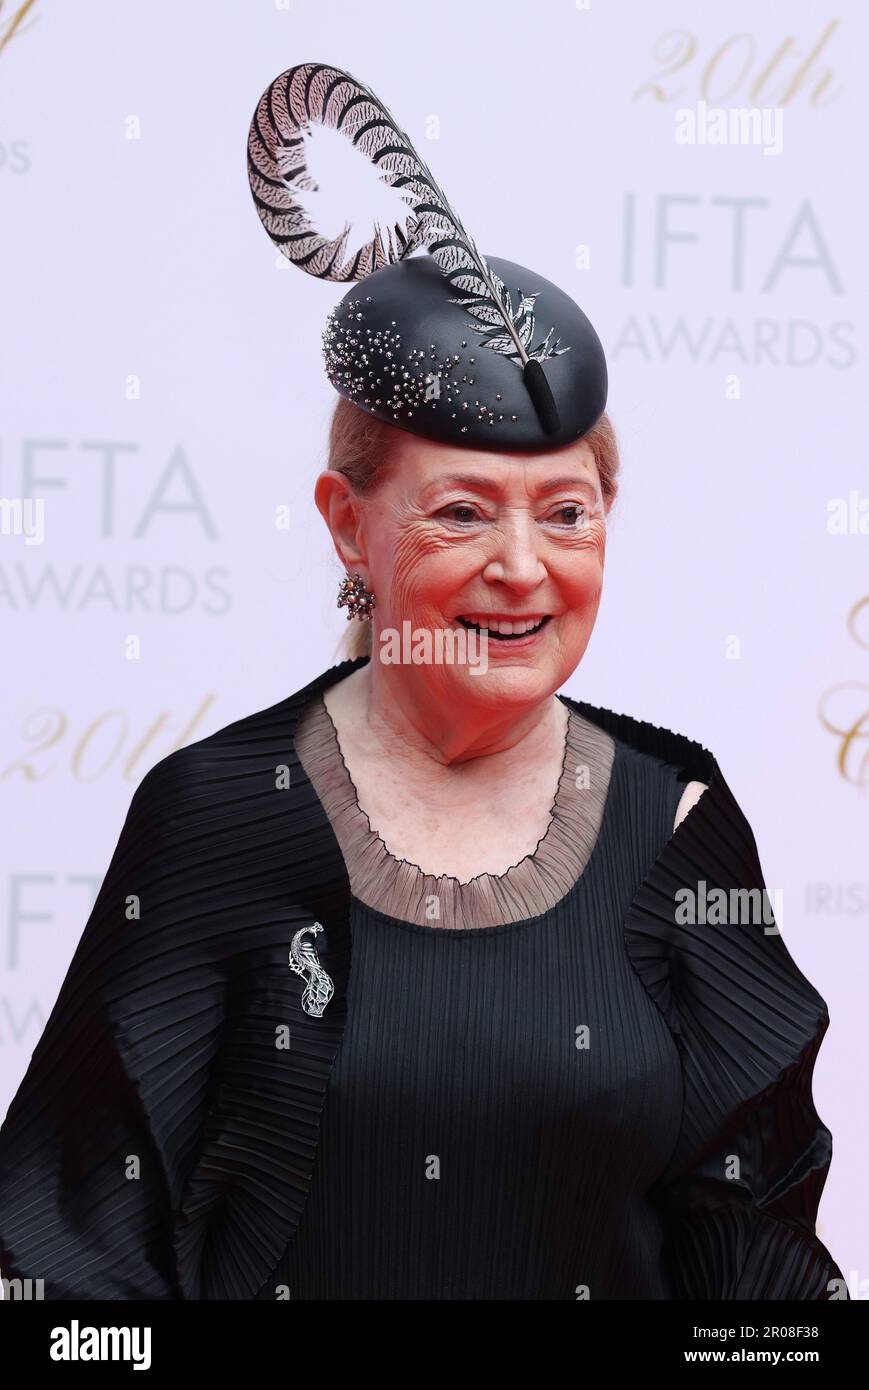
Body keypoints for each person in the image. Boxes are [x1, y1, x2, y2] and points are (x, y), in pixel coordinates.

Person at [0, 62, 845, 1301]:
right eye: (460, 512)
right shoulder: (216, 812)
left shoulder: (679, 823)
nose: (522, 568)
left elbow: (760, 1266)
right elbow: (66, 1268)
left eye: (567, 512)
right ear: (349, 525)